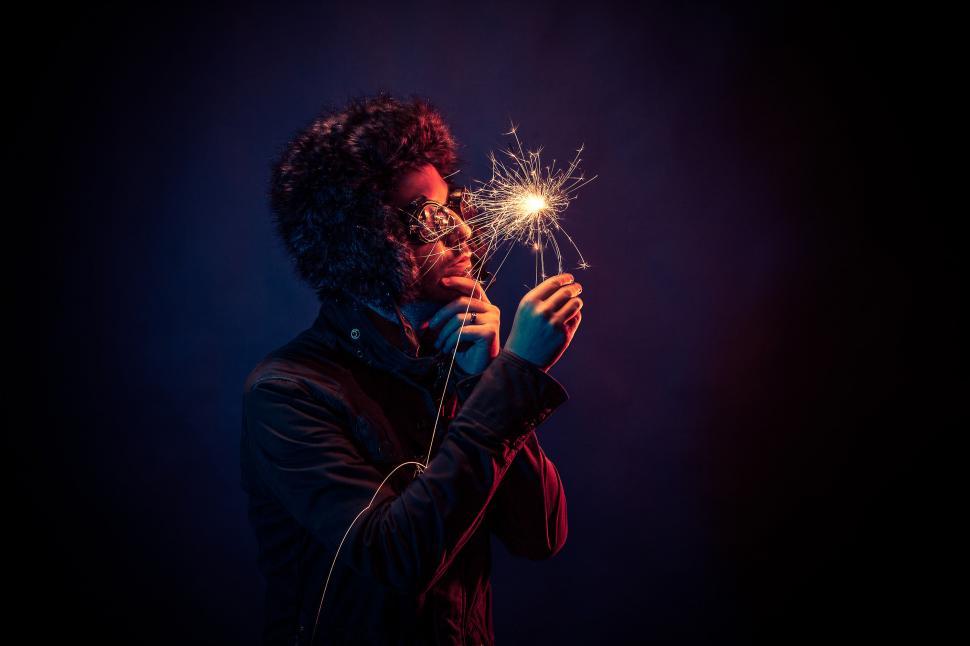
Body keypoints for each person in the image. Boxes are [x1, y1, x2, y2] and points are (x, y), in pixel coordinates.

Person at [240, 94, 585, 645]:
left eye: (457, 207)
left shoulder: (448, 362)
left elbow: (540, 534)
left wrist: (484, 379)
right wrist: (516, 375)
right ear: (367, 245)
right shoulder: (289, 393)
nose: (464, 234)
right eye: (429, 218)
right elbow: (396, 558)